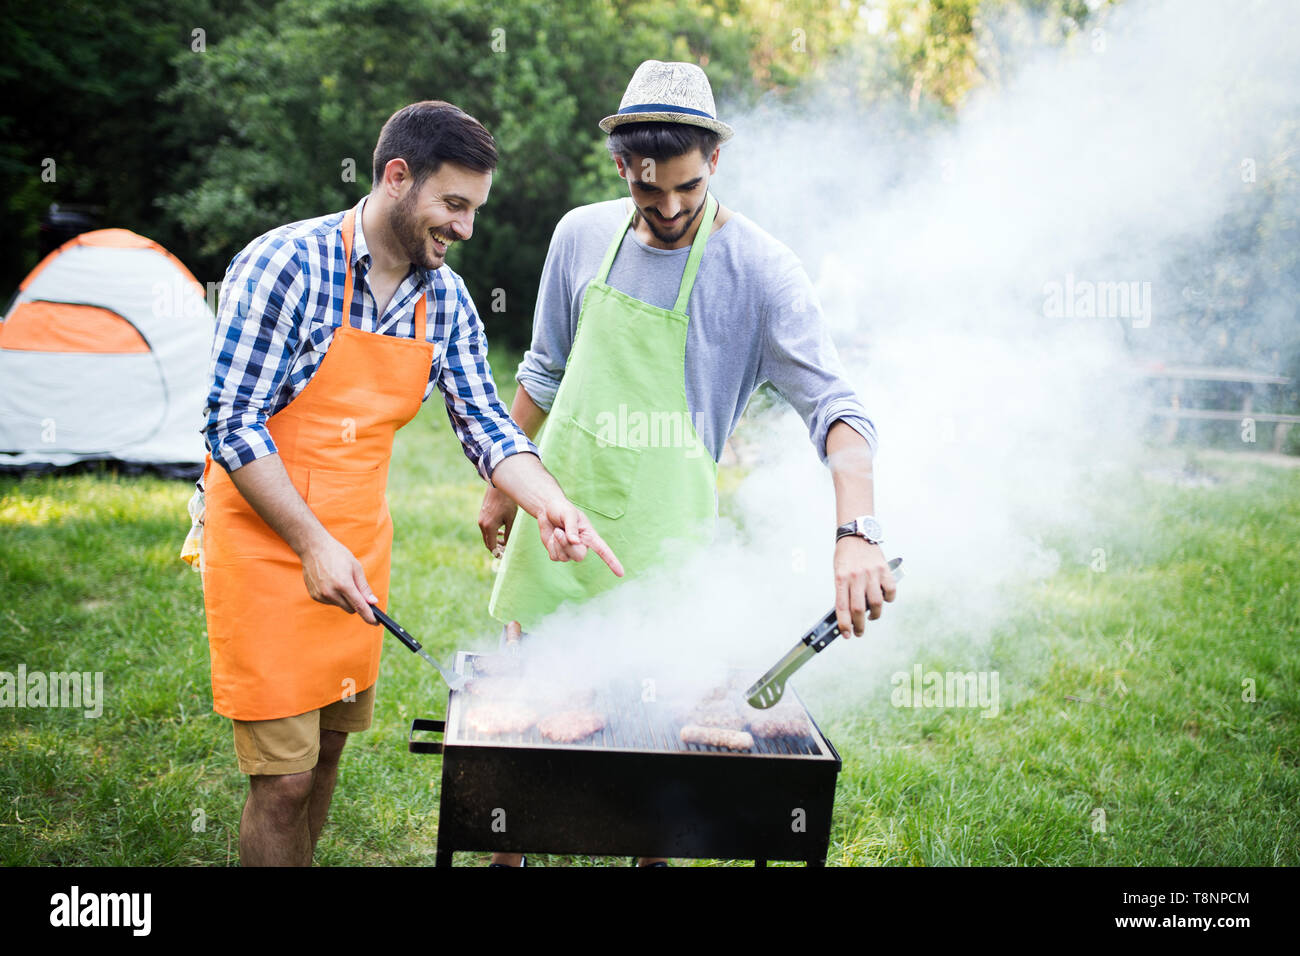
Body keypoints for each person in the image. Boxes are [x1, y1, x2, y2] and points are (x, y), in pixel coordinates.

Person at [477, 61, 897, 867]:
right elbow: (541, 371)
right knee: (524, 759)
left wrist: (858, 530)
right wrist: (504, 488)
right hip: (557, 523)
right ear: (620, 168)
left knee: (656, 767)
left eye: (688, 189)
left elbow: (840, 413)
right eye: (648, 191)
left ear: (715, 161)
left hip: (668, 550)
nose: (668, 210)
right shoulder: (579, 237)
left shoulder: (763, 271)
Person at [193, 100, 621, 866]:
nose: (465, 228)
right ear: (397, 177)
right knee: (282, 784)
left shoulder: (444, 299)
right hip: (268, 544)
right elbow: (231, 423)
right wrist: (310, 543)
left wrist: (552, 502)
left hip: (357, 547)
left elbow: (487, 424)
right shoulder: (284, 265)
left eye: (475, 210)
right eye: (453, 204)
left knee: (324, 760)